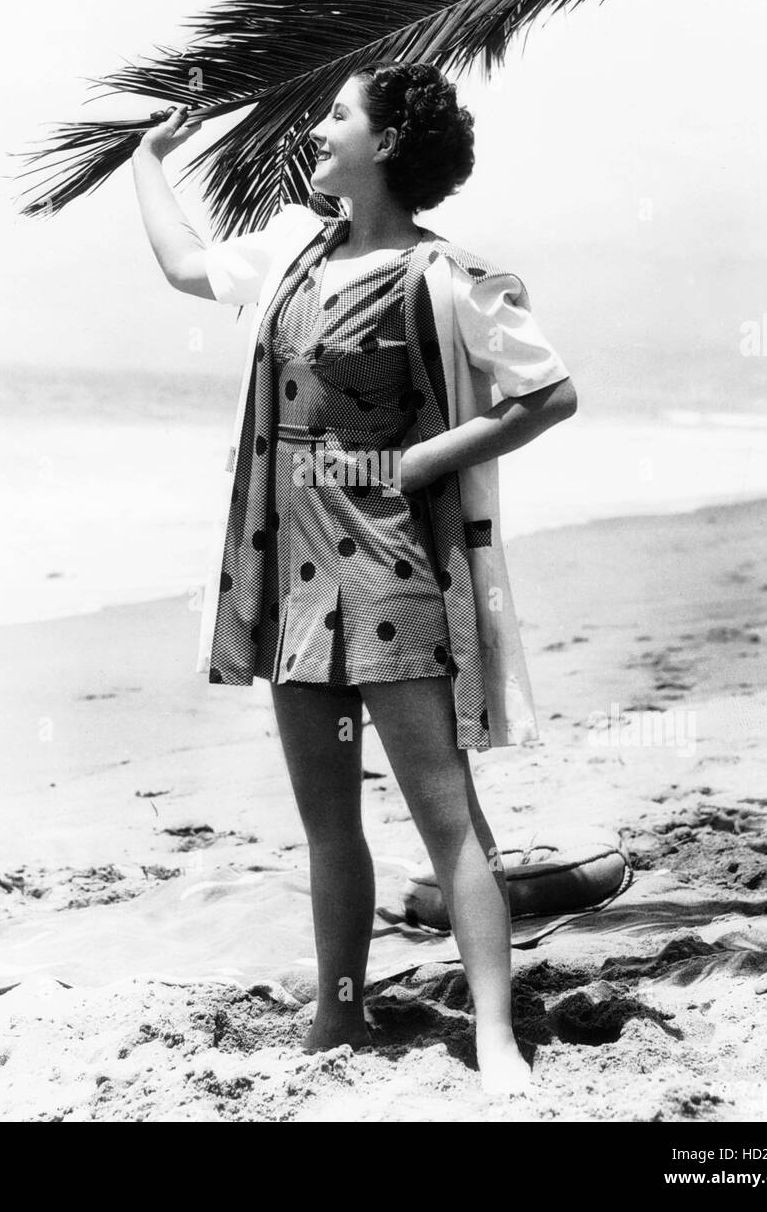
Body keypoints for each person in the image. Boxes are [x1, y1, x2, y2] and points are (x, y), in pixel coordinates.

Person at [131, 61, 577, 1096]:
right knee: (326, 823)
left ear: (382, 146)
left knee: (444, 811)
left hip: (390, 570)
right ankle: (337, 1017)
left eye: (337, 115)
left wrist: (418, 462)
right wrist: (144, 160)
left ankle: (496, 1038)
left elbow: (546, 393)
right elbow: (187, 266)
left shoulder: (449, 275)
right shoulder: (292, 249)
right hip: (288, 570)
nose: (317, 129)